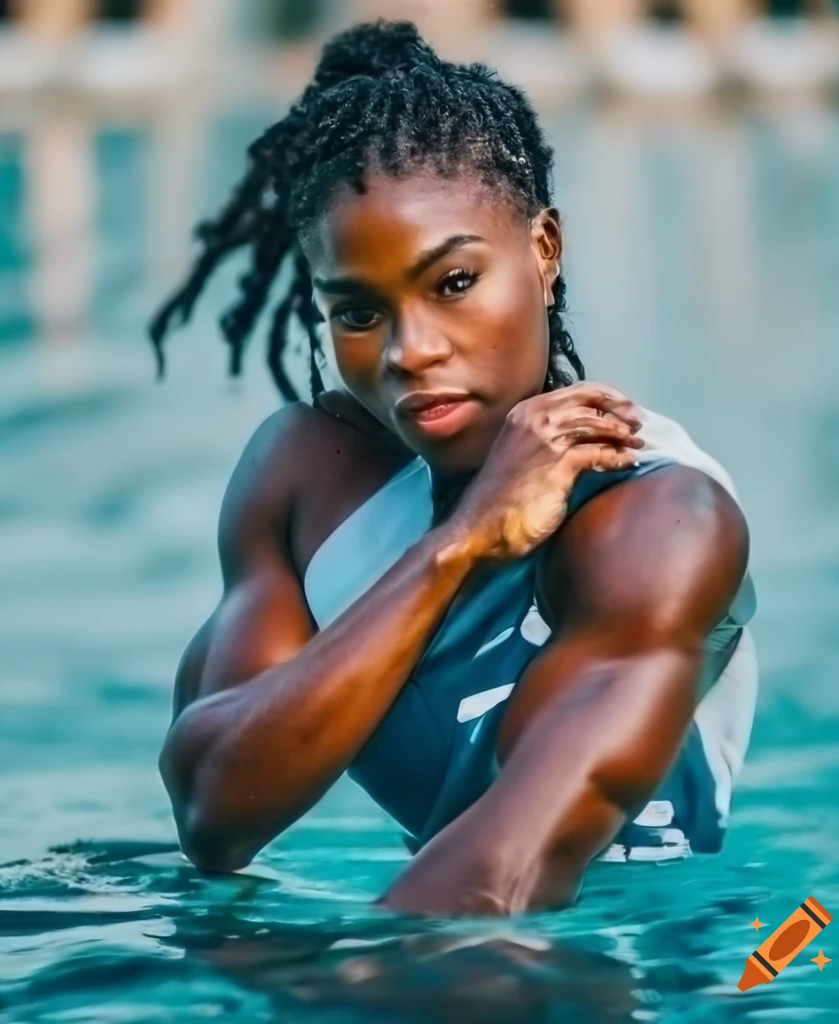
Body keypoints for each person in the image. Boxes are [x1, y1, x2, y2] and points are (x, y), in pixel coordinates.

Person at [151, 21, 758, 917]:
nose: (410, 352)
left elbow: (509, 875)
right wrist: (457, 546)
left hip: (656, 963)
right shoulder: (308, 479)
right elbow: (213, 812)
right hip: (428, 936)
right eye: (357, 313)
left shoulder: (657, 517)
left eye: (454, 283)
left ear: (543, 252)